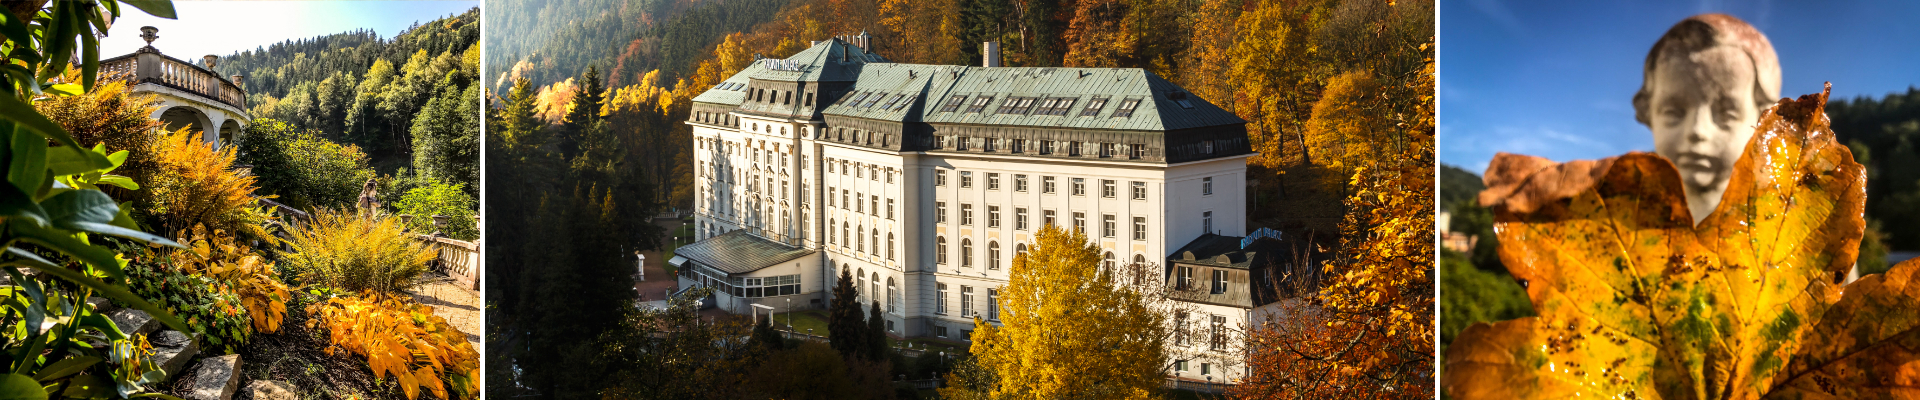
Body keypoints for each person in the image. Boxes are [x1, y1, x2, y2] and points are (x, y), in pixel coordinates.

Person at [1632, 14, 1781, 224]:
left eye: (1726, 114)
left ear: (1763, 121)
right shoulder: (1615, 223)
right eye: (1674, 112)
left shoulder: (1779, 226)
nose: (1697, 131)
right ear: (1649, 113)